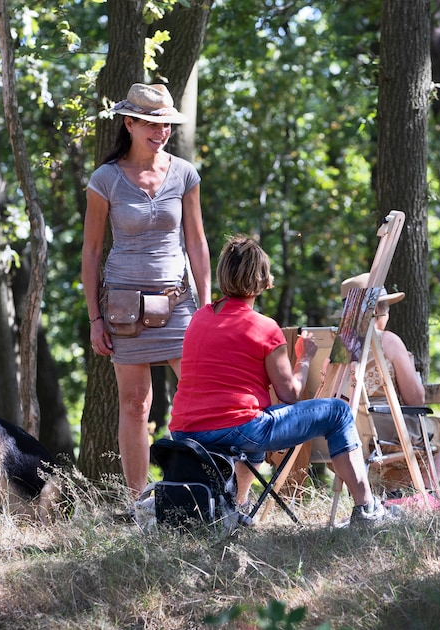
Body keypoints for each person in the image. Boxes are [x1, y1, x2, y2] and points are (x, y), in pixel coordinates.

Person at [169, 236, 389, 524]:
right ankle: (367, 508)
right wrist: (305, 357)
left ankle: (238, 507)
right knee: (338, 412)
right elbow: (290, 394)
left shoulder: (199, 319)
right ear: (262, 279)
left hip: (185, 432)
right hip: (236, 428)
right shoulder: (263, 327)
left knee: (259, 417)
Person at [82, 83, 211, 499]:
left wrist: (207, 308)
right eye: (154, 124)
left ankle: (207, 491)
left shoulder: (185, 173)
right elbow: (92, 250)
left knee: (201, 396)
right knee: (135, 404)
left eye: (167, 124)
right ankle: (140, 502)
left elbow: (197, 243)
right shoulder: (105, 180)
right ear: (130, 123)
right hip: (123, 308)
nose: (162, 132)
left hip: (178, 303)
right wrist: (95, 318)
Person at [340, 274, 440, 495]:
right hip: (386, 429)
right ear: (380, 311)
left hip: (349, 431)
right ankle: (425, 498)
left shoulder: (339, 343)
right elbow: (415, 399)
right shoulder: (388, 341)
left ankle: (391, 495)